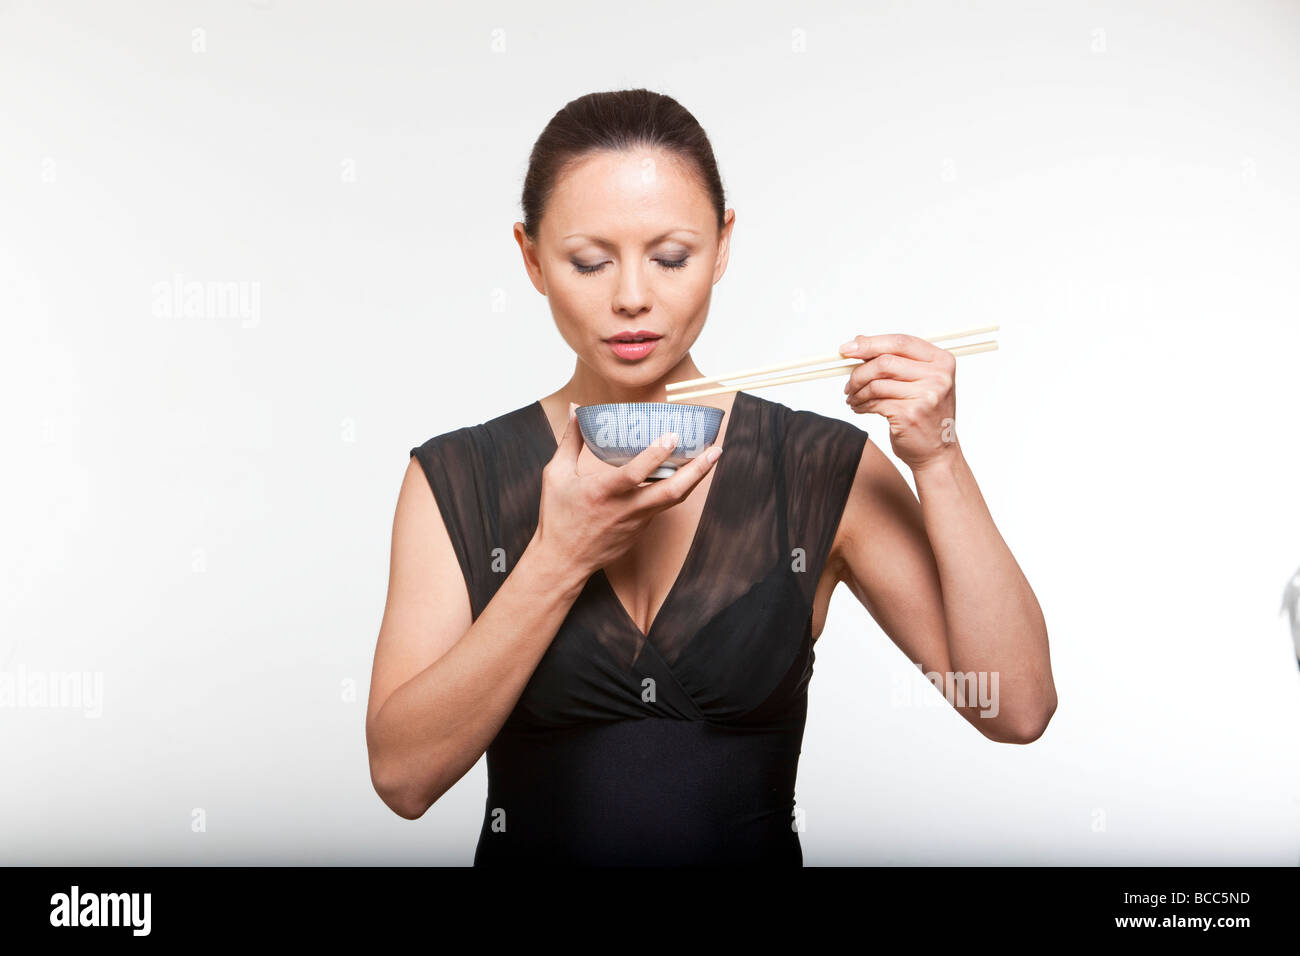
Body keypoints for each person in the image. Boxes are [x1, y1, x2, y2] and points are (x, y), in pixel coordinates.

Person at [365, 88, 1057, 865]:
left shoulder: (818, 467)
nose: (633, 297)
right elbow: (403, 778)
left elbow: (1017, 708)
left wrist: (939, 458)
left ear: (723, 245)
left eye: (671, 257)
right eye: (589, 261)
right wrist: (559, 558)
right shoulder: (456, 476)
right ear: (531, 259)